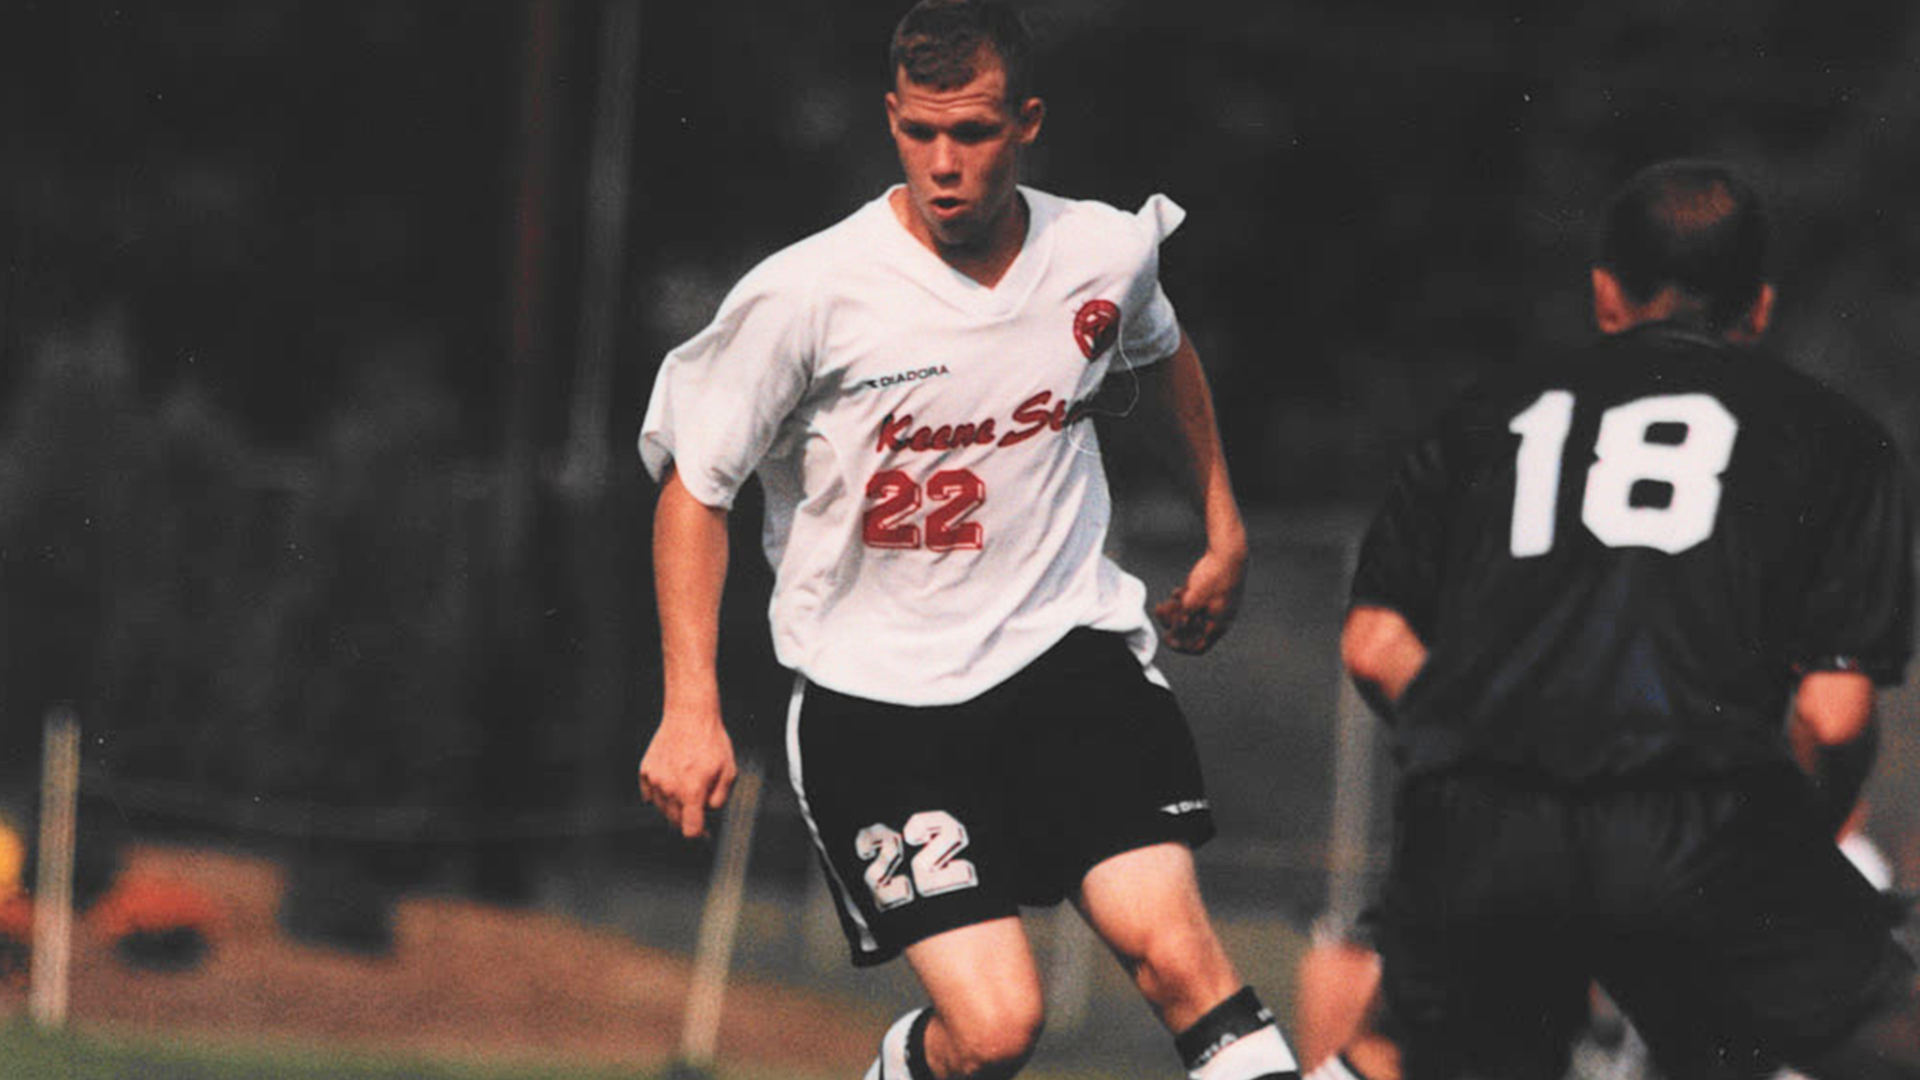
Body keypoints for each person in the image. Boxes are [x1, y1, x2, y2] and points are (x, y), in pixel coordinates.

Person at [635, 4, 1299, 1079]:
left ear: (1027, 121)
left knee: (1182, 957)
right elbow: (692, 487)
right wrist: (689, 707)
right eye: (922, 132)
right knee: (997, 1030)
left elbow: (1163, 351)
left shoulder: (1100, 251)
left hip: (1064, 661)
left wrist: (1225, 526)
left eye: (977, 132)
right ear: (891, 119)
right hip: (878, 702)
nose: (946, 164)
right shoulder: (810, 291)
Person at [1336, 159, 1920, 1080]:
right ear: (1758, 306)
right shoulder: (1834, 438)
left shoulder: (1482, 417)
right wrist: (1793, 851)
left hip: (1487, 815)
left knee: (1392, 1052)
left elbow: (1374, 647)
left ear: (1606, 293)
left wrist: (1489, 739)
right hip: (1703, 821)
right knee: (1878, 1037)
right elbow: (1832, 715)